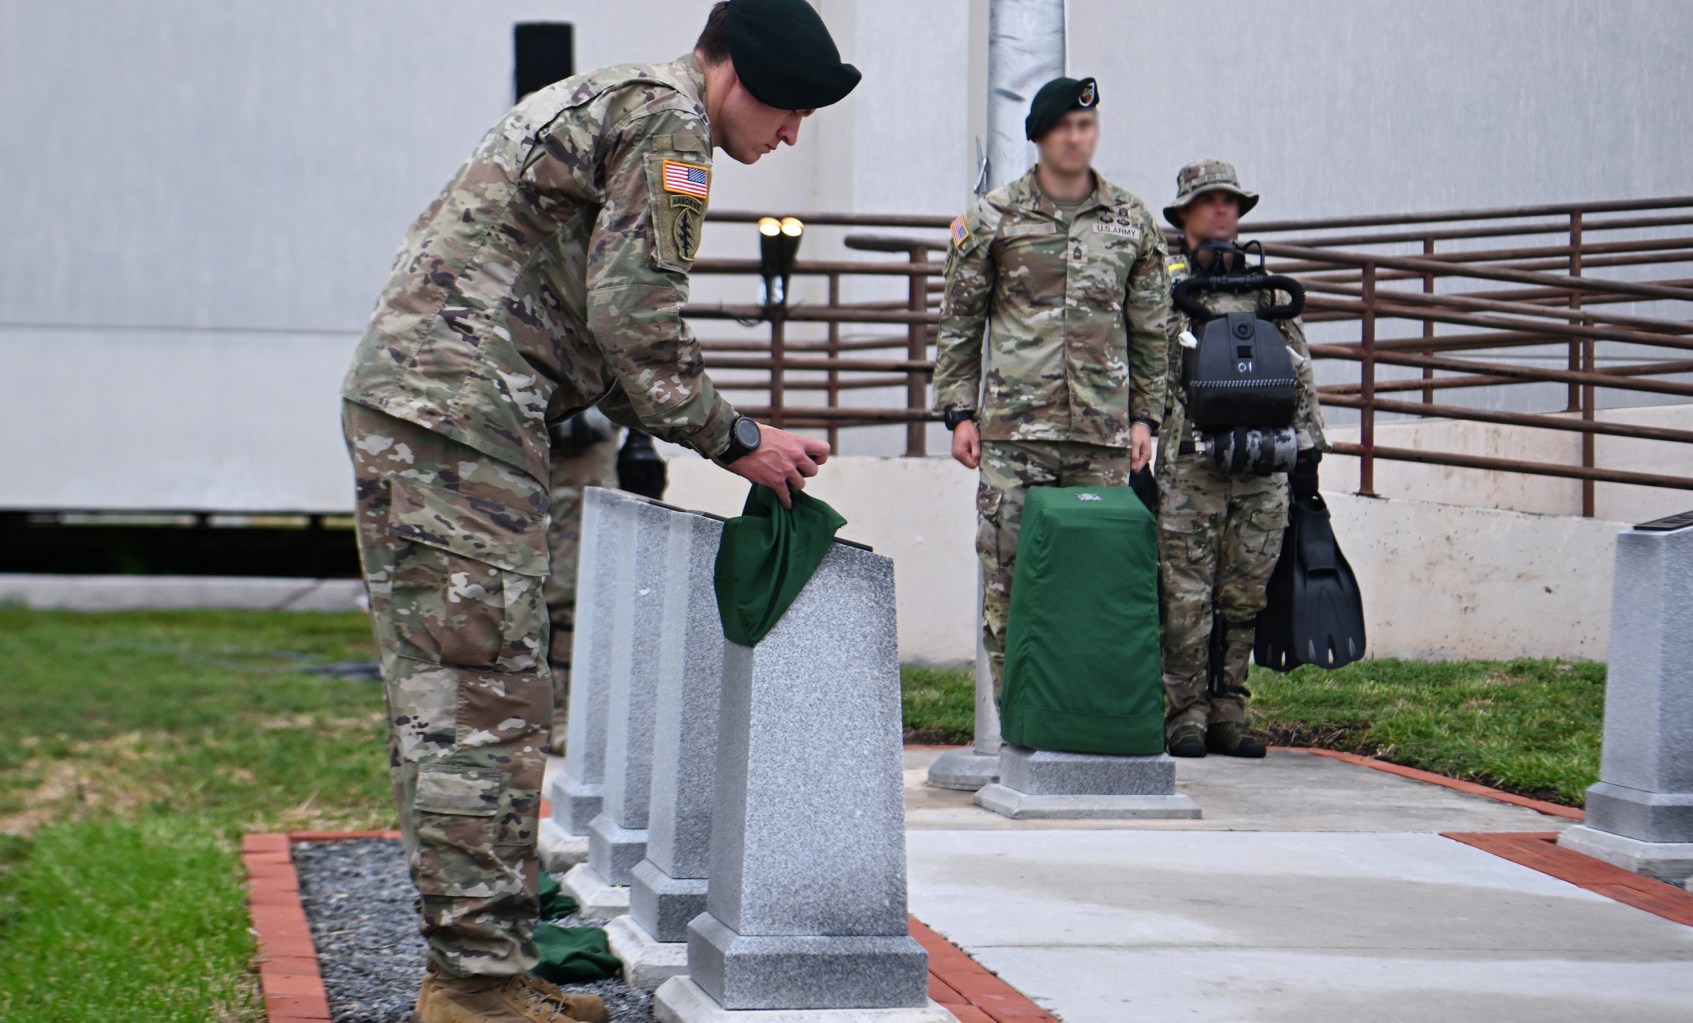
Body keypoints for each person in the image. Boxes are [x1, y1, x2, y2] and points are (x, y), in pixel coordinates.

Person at [339, 1, 858, 1019]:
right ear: (738, 77)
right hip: (457, 414)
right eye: (791, 108)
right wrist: (737, 441)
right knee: (479, 701)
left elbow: (601, 332)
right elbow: (638, 328)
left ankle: (482, 969)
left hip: (441, 405)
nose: (793, 133)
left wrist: (739, 434)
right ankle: (476, 993)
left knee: (475, 689)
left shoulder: (622, 99)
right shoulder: (670, 127)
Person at [933, 76, 1170, 699]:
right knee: (1012, 585)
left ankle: (1084, 729)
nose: (1076, 136)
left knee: (1095, 584)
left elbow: (1151, 330)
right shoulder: (992, 218)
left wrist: (1146, 419)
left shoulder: (1133, 222)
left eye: (1086, 125)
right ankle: (1023, 730)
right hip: (1015, 436)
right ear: (1039, 135)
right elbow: (960, 320)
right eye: (1064, 125)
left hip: (1101, 437)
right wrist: (959, 412)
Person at [1156, 159, 1328, 759]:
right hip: (1189, 467)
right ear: (1183, 214)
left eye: (1230, 200)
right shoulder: (1159, 281)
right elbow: (1146, 366)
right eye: (1208, 201)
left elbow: (1300, 370)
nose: (1221, 209)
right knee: (1185, 596)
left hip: (1262, 469)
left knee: (1243, 596)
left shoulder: (1266, 289)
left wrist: (1308, 453)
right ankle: (1184, 716)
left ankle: (1229, 710)